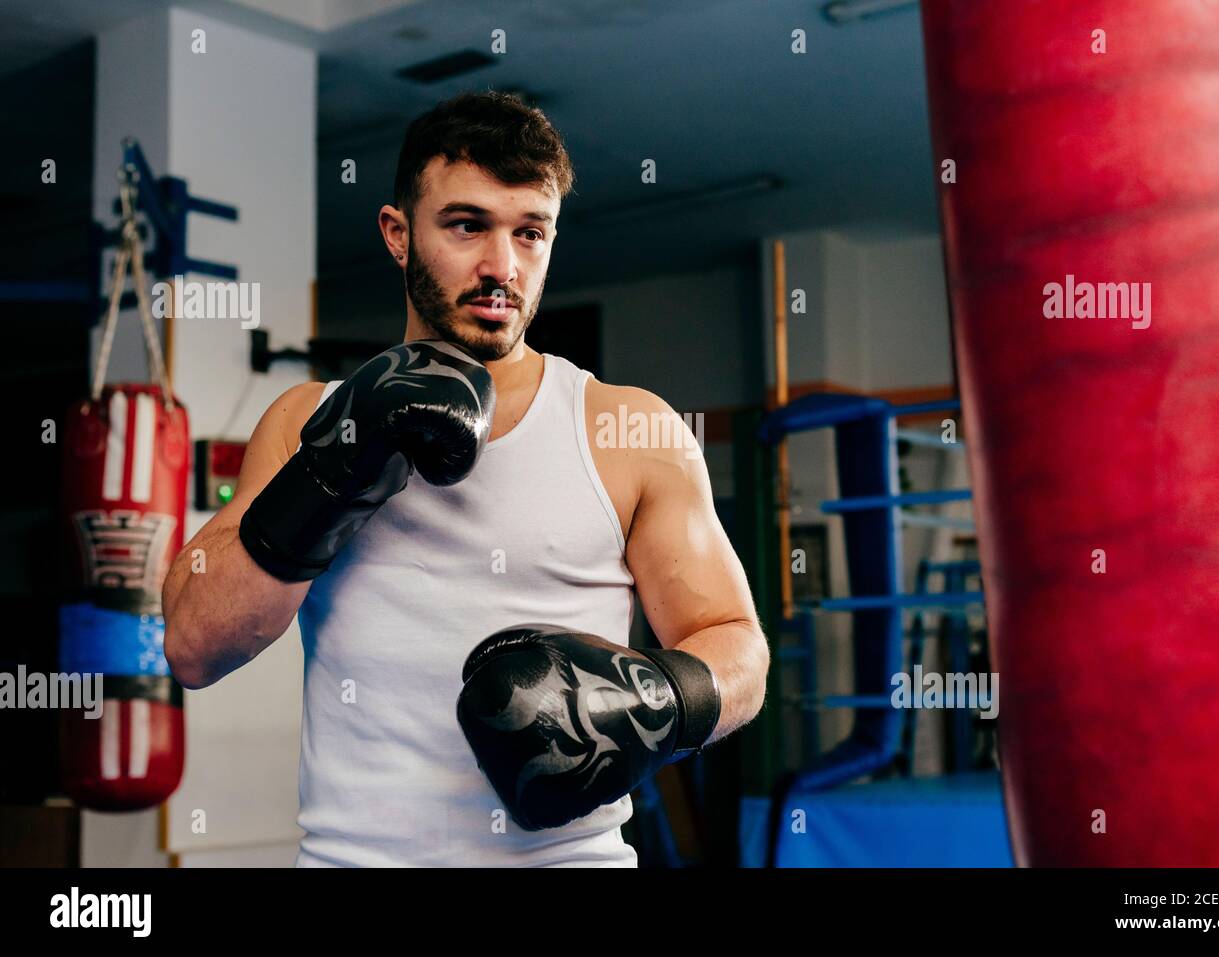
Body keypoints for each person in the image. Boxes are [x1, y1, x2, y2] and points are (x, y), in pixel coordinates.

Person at [162, 91, 769, 867]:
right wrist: (337, 466)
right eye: (467, 225)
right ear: (398, 234)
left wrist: (662, 701)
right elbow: (192, 645)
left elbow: (738, 646)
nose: (501, 267)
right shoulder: (307, 418)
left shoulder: (628, 430)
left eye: (530, 233)